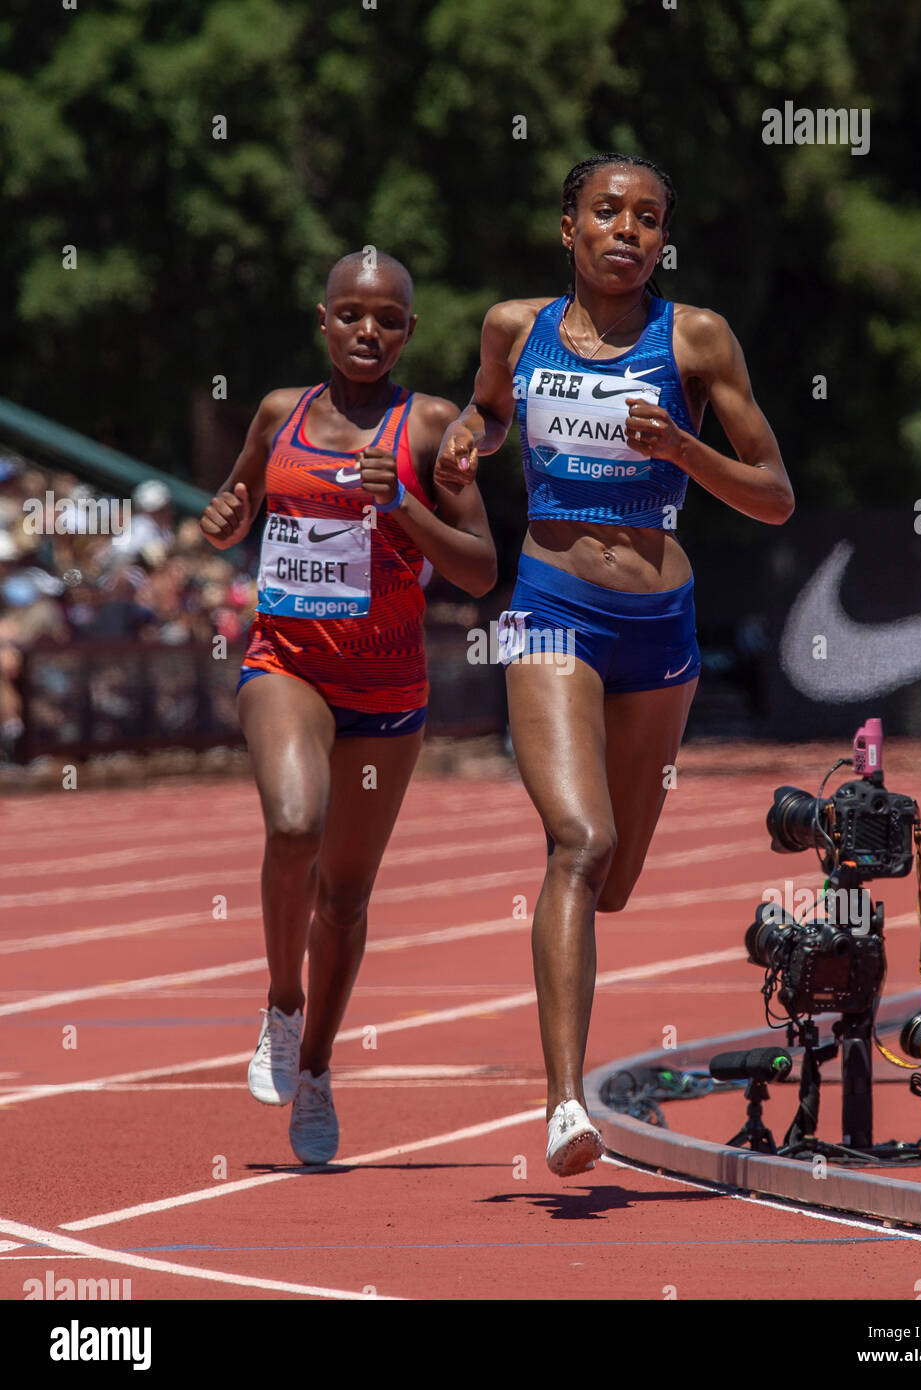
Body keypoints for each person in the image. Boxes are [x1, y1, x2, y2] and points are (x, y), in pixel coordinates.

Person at [435, 154, 794, 1176]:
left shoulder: (696, 338)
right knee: (578, 841)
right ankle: (563, 1103)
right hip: (551, 604)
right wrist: (469, 437)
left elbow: (773, 494)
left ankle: (568, 966)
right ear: (568, 229)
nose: (626, 232)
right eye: (606, 213)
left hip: (659, 623)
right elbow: (491, 410)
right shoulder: (514, 325)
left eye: (645, 219)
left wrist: (684, 451)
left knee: (618, 878)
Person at [201, 251, 496, 1163]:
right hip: (286, 663)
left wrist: (403, 504)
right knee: (294, 827)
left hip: (387, 691)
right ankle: (281, 1008)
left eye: (388, 320)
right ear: (322, 322)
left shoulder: (434, 426)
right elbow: (243, 496)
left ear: (409, 332)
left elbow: (482, 570)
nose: (368, 332)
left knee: (348, 893)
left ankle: (319, 1068)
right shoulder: (278, 412)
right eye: (351, 315)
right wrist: (226, 515)